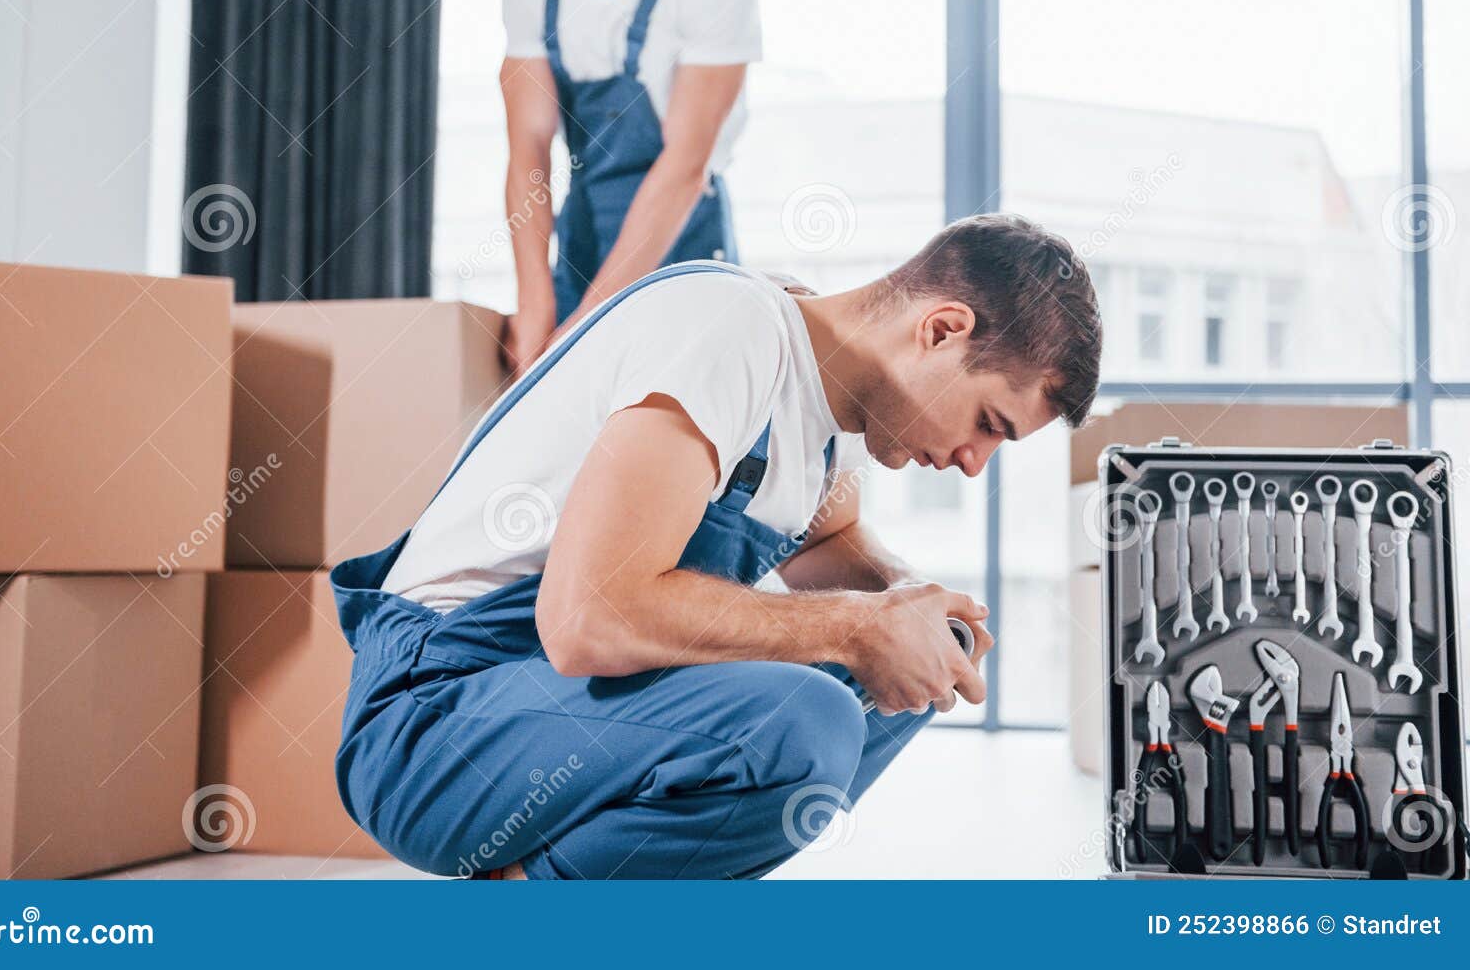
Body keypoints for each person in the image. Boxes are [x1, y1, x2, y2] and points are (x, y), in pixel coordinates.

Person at [330, 213, 1104, 880]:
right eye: (989, 424)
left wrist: (910, 602)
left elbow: (830, 542)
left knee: (918, 659)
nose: (975, 462)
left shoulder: (829, 408)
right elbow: (587, 621)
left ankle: (606, 884)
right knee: (811, 720)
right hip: (435, 721)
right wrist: (863, 624)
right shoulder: (731, 329)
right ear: (942, 329)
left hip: (543, 708)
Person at [466, 0, 762, 373]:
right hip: (585, 237)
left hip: (683, 241)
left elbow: (685, 166)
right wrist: (536, 302)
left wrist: (591, 320)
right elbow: (528, 149)